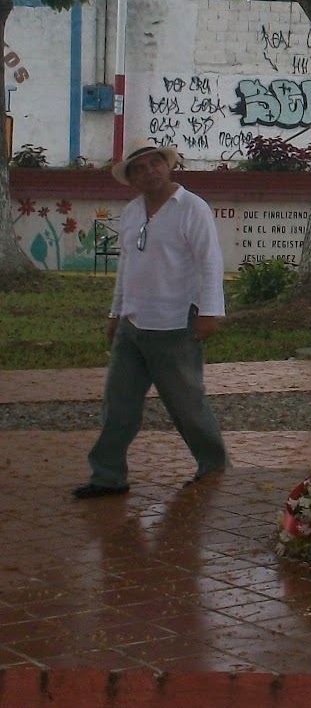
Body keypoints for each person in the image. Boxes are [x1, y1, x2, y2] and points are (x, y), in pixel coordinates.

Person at [72, 139, 228, 499]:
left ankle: (214, 469)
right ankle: (108, 476)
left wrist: (209, 312)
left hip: (175, 325)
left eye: (154, 163)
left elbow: (210, 261)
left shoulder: (191, 208)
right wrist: (115, 314)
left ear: (167, 165)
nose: (148, 172)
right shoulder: (131, 212)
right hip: (133, 325)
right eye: (139, 168)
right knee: (118, 403)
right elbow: (126, 266)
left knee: (187, 406)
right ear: (132, 178)